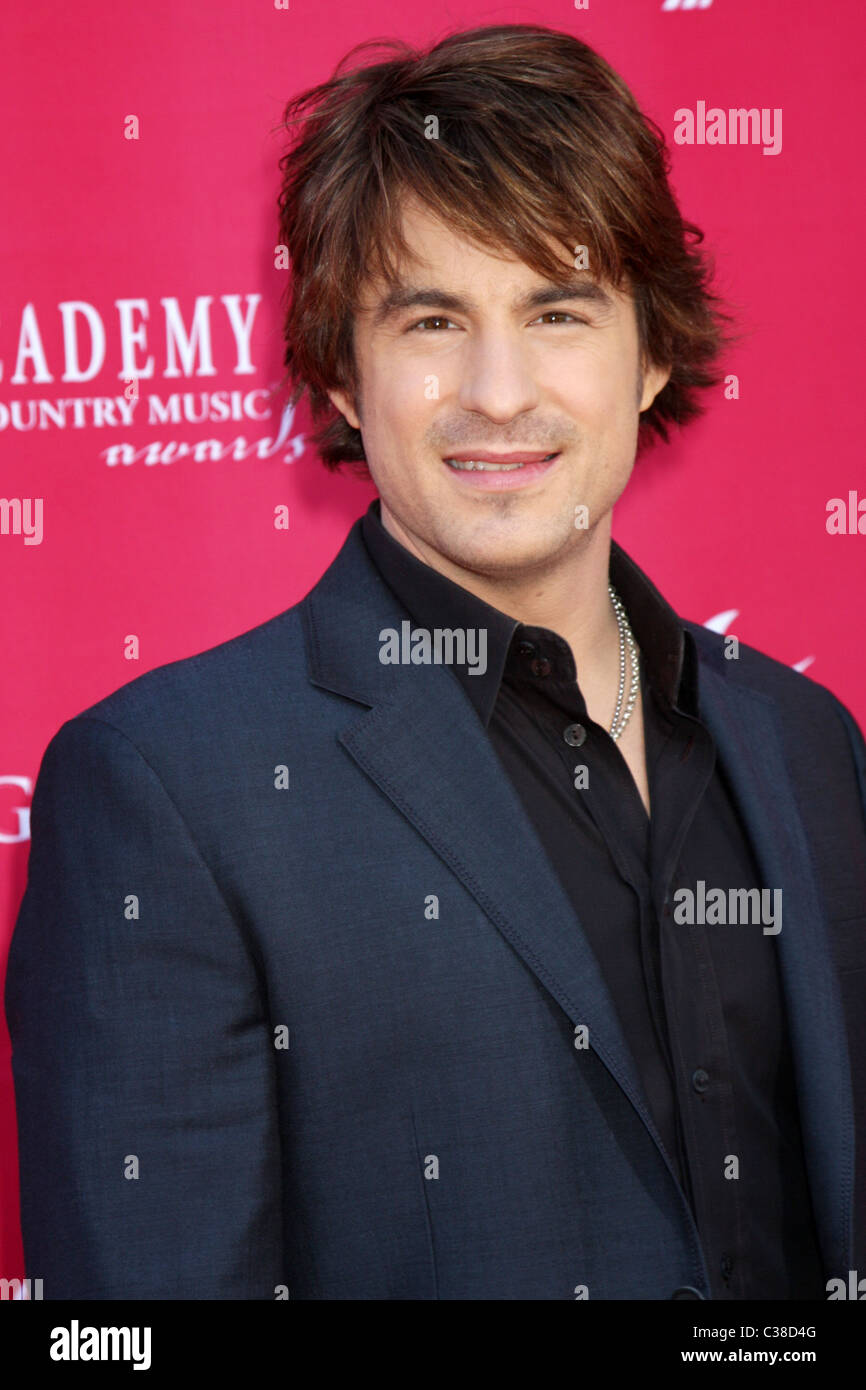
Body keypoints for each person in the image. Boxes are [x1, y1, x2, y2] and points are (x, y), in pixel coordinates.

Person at [6, 23, 866, 1301]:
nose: (499, 390)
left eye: (557, 310)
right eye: (430, 319)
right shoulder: (169, 789)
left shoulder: (805, 743)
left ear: (649, 352)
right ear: (344, 373)